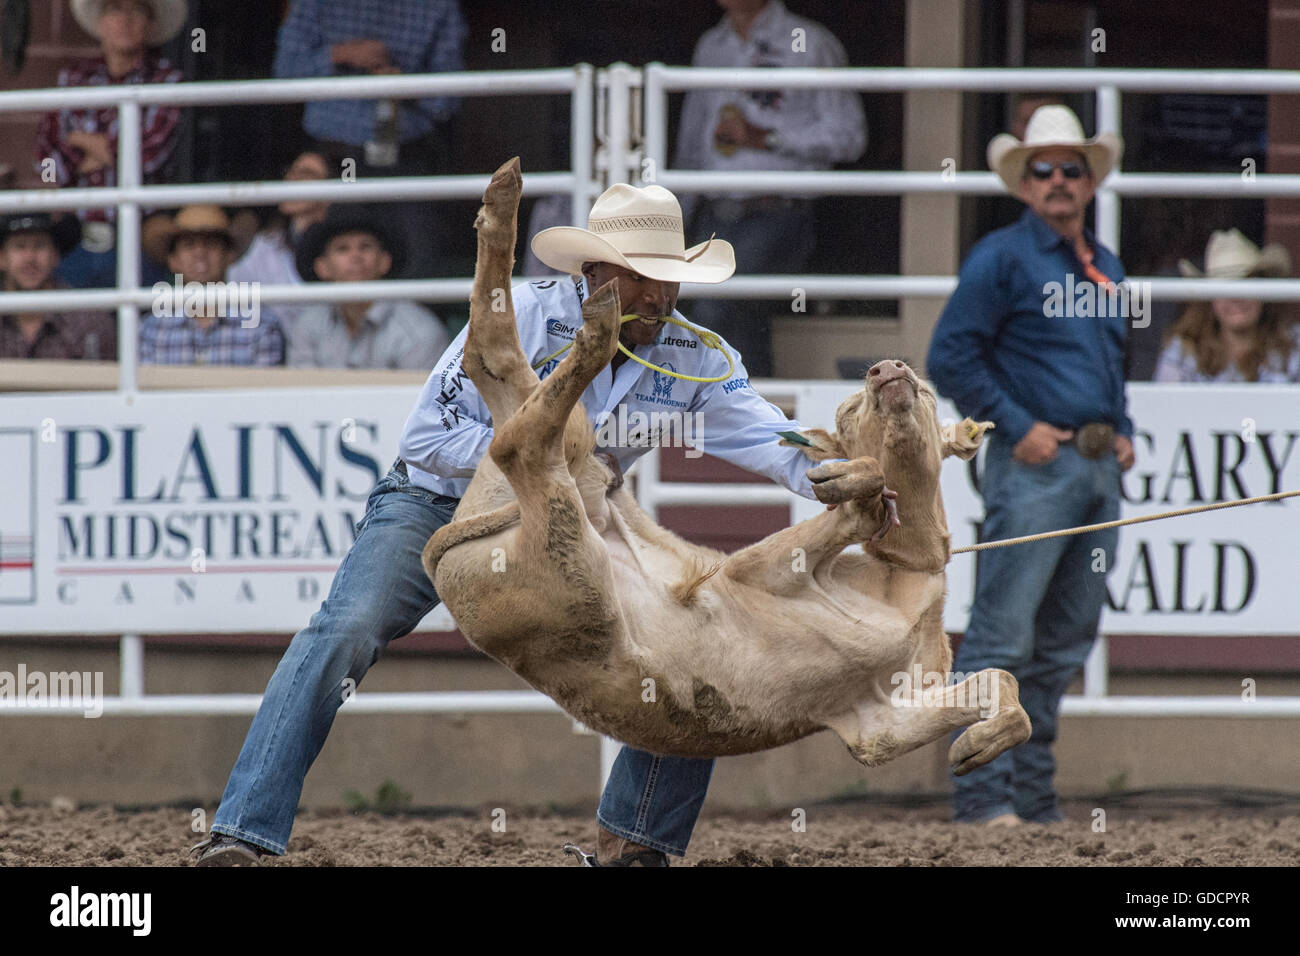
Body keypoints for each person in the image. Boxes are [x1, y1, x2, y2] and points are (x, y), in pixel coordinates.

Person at [192, 176, 830, 867]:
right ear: (595, 273)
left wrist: (852, 482)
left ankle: (636, 848)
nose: (659, 296)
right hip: (437, 502)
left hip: (574, 528)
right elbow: (426, 440)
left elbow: (776, 440)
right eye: (642, 277)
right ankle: (242, 835)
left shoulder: (695, 354)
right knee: (342, 631)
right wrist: (542, 460)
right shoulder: (519, 313)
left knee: (684, 647)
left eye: (668, 277)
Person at [926, 105, 1137, 825]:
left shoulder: (1103, 265)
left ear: (1087, 181)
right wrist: (1018, 427)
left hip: (1093, 465)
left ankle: (1029, 800)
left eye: (1069, 169)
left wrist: (1124, 428)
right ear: (1024, 183)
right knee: (1003, 636)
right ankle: (986, 799)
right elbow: (949, 354)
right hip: (1038, 466)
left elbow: (1112, 361)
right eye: (1042, 169)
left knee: (1063, 640)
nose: (1057, 181)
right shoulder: (1002, 258)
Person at [673, 0, 866, 377]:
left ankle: (746, 419)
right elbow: (693, 141)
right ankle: (737, 418)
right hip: (714, 211)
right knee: (693, 308)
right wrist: (674, 213)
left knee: (724, 307)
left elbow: (849, 134)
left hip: (778, 210)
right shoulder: (712, 45)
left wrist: (770, 138)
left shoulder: (808, 41)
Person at [272, 0, 467, 278]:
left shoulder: (437, 6)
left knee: (417, 265)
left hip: (405, 158)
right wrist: (340, 53)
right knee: (327, 260)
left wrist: (407, 86)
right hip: (332, 158)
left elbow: (449, 98)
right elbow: (284, 72)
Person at [33, 0, 186, 290]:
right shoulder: (73, 78)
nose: (125, 20)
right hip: (76, 236)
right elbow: (47, 162)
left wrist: (79, 141)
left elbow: (147, 157)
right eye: (114, 9)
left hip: (140, 235)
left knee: (139, 318)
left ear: (151, 25)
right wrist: (103, 151)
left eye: (137, 10)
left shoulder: (166, 80)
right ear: (99, 22)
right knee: (73, 321)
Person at [287, 206, 450, 369]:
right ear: (322, 267)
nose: (356, 256)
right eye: (342, 248)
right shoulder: (308, 325)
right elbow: (299, 390)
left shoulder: (420, 331)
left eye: (365, 247)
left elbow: (420, 394)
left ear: (385, 261)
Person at [138, 205, 284, 366]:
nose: (200, 253)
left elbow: (264, 388)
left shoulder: (262, 325)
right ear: (173, 261)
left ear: (229, 256)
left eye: (211, 244)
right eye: (189, 244)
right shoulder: (151, 329)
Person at [1155, 229, 1300, 383]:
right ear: (1210, 298)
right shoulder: (1183, 351)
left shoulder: (1294, 344)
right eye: (1224, 289)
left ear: (1262, 291)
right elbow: (1164, 404)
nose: (1235, 299)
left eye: (1244, 285)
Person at [227, 149, 337, 342]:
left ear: (331, 193)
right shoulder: (266, 245)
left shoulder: (343, 246)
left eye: (306, 174)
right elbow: (234, 294)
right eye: (291, 172)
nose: (292, 179)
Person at [0, 213, 118, 360]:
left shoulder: (91, 321)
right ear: (2, 258)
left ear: (55, 256)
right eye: (20, 246)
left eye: (40, 245)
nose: (30, 257)